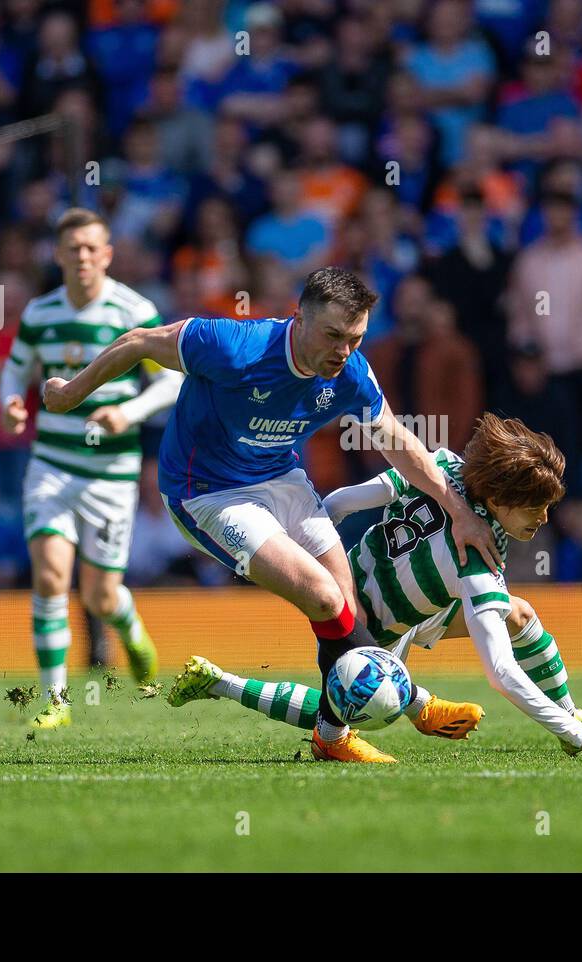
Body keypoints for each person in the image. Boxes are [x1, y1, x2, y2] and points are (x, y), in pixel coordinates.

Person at [43, 266, 502, 762]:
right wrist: (71, 393)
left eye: (355, 338)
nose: (343, 351)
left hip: (280, 477)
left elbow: (397, 442)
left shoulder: (350, 373)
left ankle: (330, 740)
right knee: (326, 599)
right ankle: (414, 704)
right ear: (298, 318)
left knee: (348, 603)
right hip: (207, 492)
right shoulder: (233, 346)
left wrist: (459, 512)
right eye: (332, 335)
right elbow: (137, 341)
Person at [166, 414, 582, 758]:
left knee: (518, 615)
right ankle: (219, 683)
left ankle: (569, 718)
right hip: (373, 629)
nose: (543, 519)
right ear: (498, 497)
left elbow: (342, 502)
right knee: (353, 708)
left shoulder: (440, 468)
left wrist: (314, 563)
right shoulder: (476, 562)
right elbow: (500, 673)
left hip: (377, 595)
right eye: (534, 508)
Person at [0, 208, 184, 727]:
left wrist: (130, 411)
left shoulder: (134, 310)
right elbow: (13, 374)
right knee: (51, 576)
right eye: (72, 248)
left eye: (91, 248)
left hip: (111, 473)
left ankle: (130, 630)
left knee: (100, 595)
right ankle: (56, 702)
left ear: (106, 255)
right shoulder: (40, 313)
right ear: (58, 255)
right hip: (51, 464)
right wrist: (11, 404)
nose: (81, 256)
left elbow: (172, 382)